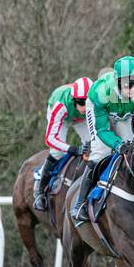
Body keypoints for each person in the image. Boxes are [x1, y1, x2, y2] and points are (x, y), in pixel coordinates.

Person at [72, 56, 134, 223]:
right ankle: (79, 204)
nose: (133, 89)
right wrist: (117, 145)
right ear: (118, 82)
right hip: (99, 110)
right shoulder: (101, 94)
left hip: (123, 114)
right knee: (99, 152)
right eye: (128, 85)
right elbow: (102, 130)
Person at [33, 76, 93, 212]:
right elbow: (50, 139)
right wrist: (73, 149)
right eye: (80, 102)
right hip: (63, 117)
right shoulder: (60, 105)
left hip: (80, 120)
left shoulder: (95, 103)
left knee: (94, 147)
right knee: (57, 152)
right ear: (73, 99)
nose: (84, 107)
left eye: (88, 102)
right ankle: (40, 190)